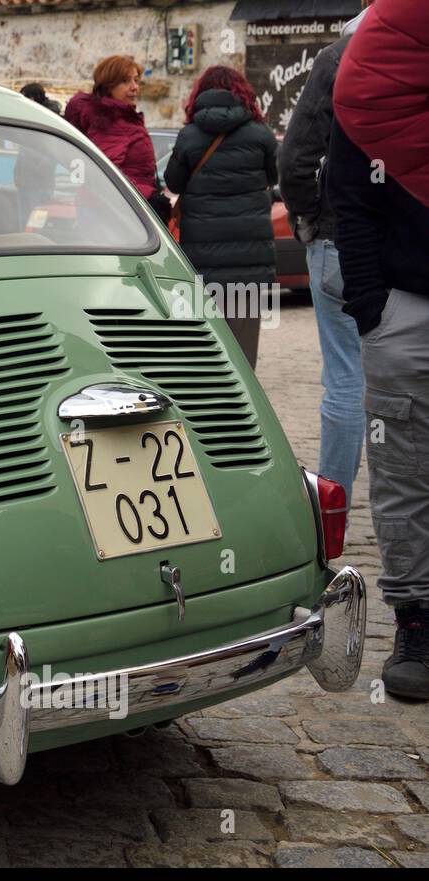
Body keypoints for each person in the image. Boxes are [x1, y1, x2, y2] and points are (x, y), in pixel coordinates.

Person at [328, 0, 429, 701]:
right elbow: (348, 196)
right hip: (405, 309)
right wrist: (373, 309)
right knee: (403, 475)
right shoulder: (370, 71)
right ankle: (418, 621)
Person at [277, 3, 371, 507]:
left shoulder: (341, 56)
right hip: (411, 239)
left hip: (343, 238)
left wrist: (310, 218)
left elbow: (295, 157)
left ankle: (334, 504)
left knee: (345, 378)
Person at [164, 66, 277, 368]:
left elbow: (173, 183)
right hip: (250, 260)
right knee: (243, 350)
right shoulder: (261, 134)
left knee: (205, 345)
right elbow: (274, 176)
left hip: (202, 259)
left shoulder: (189, 135)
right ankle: (245, 407)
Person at [65, 56, 168, 221]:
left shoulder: (122, 117)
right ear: (109, 86)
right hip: (111, 214)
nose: (134, 87)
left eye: (136, 80)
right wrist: (148, 195)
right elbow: (104, 175)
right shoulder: (109, 120)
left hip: (115, 208)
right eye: (126, 81)